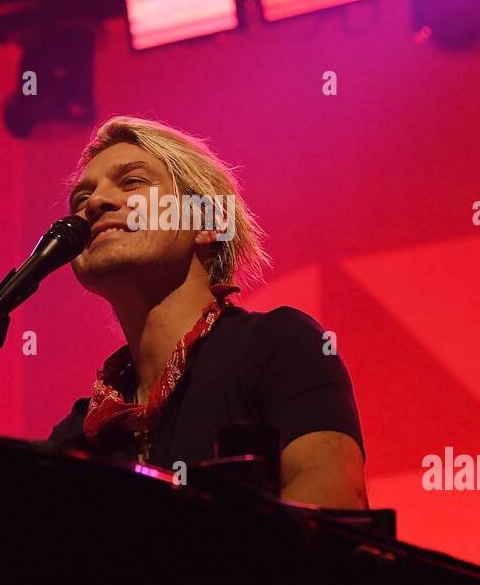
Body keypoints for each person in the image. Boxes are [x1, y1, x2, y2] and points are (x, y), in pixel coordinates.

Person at [46, 116, 367, 509]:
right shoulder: (77, 436)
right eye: (81, 200)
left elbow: (330, 509)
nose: (95, 203)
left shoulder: (279, 345)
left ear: (206, 221)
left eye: (132, 182)